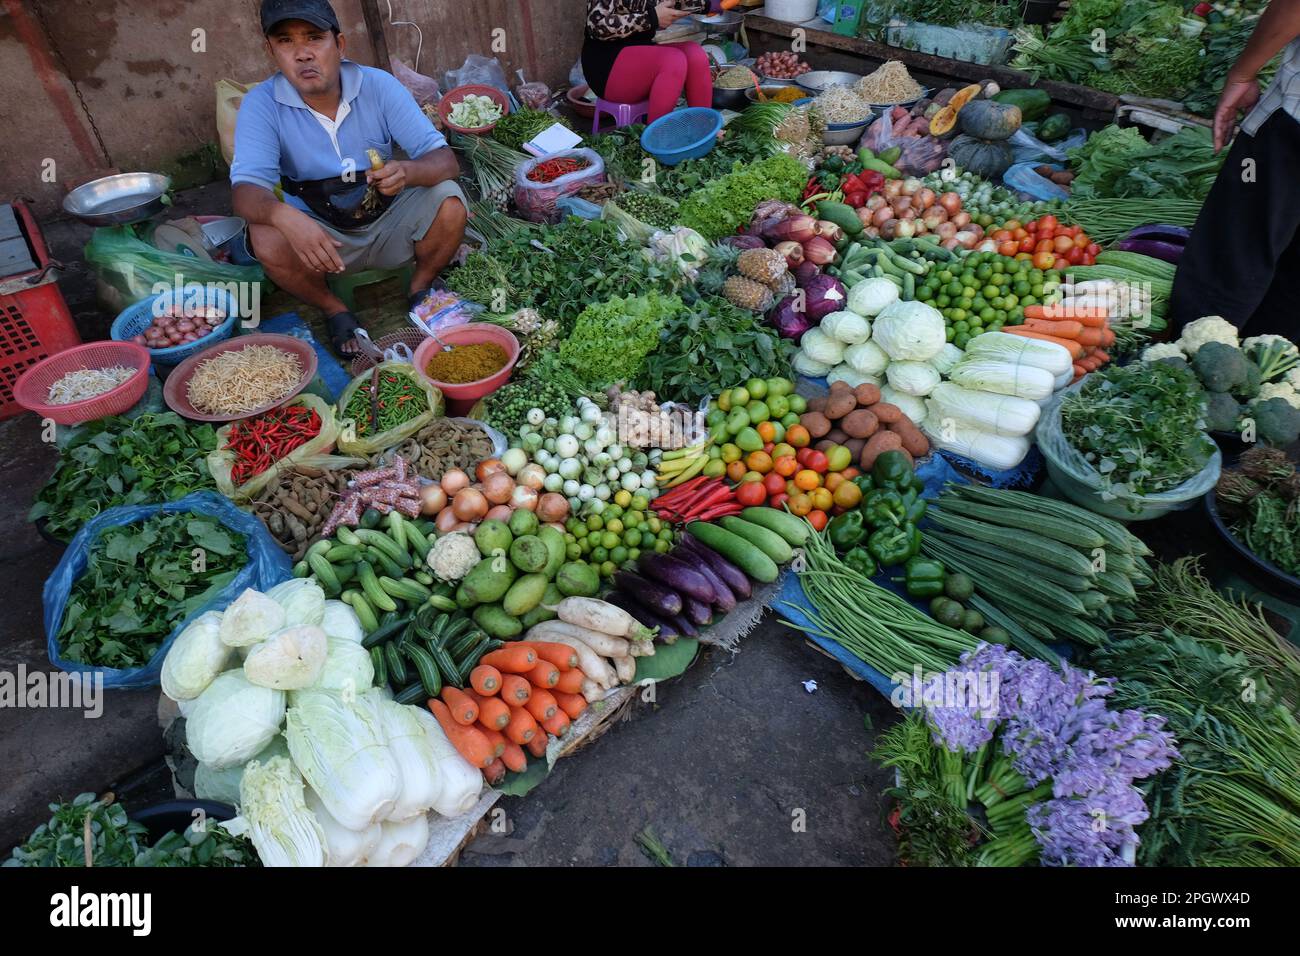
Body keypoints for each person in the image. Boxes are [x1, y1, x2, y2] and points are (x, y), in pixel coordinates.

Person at [231, 0, 467, 355]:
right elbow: (245, 193)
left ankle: (420, 287)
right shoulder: (261, 104)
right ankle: (334, 308)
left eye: (314, 38)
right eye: (286, 41)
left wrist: (407, 171)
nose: (303, 54)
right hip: (323, 238)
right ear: (271, 51)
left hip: (389, 219)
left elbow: (445, 161)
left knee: (449, 198)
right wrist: (283, 216)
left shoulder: (378, 86)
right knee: (264, 233)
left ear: (339, 45)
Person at [1169, 2, 1300, 337]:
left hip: (1291, 130)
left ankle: (1189, 367)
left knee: (1235, 241)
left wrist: (1242, 73)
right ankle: (1267, 374)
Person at [582, 1, 713, 124]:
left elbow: (677, 3)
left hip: (642, 58)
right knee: (673, 60)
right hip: (607, 66)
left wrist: (710, 4)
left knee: (694, 53)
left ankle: (703, 126)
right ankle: (657, 140)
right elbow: (597, 26)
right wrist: (652, 18)